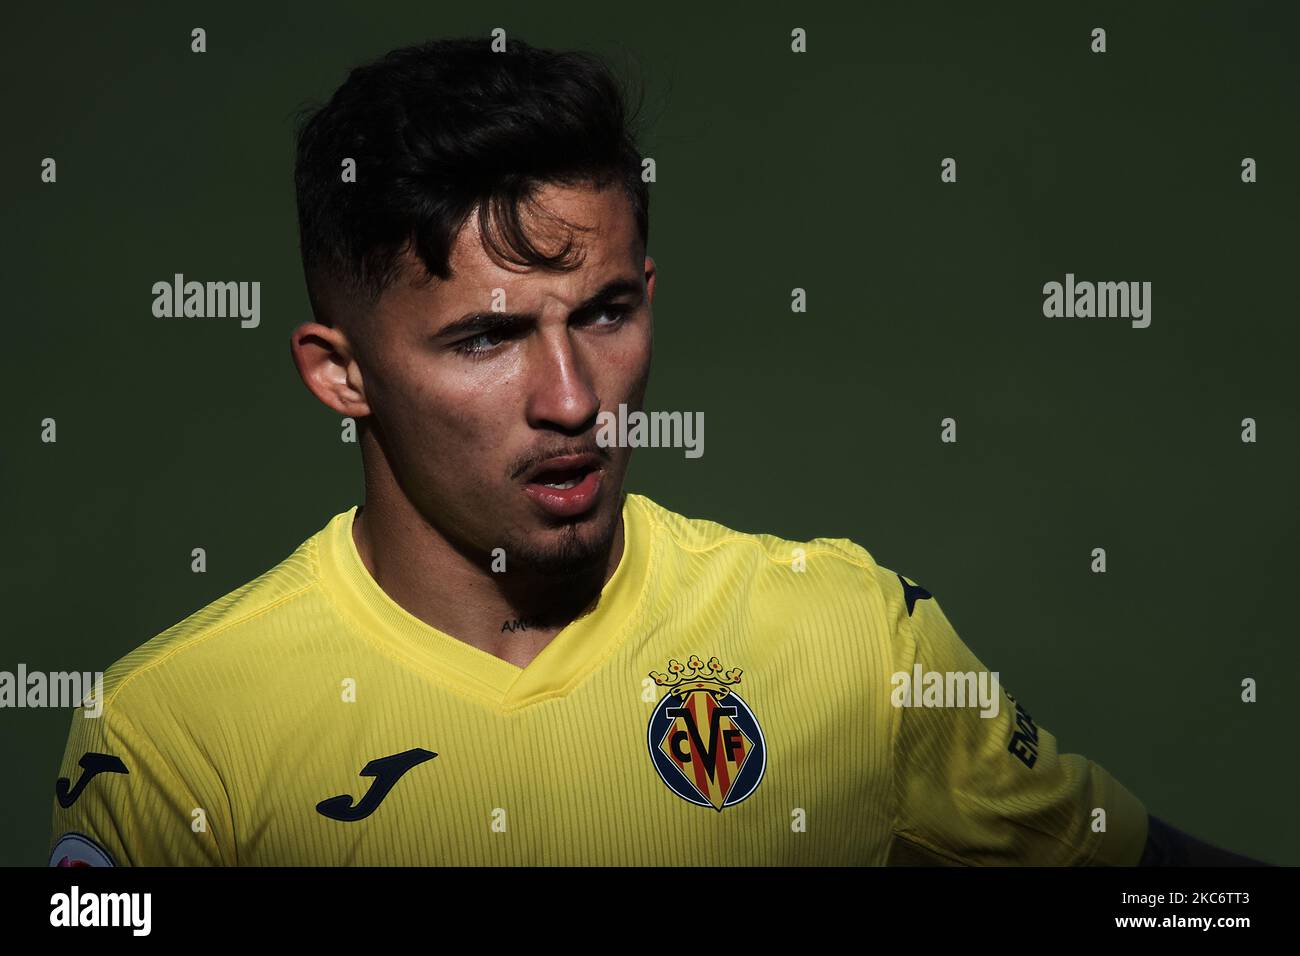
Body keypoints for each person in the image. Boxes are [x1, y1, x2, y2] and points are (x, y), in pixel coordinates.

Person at [49, 36, 1262, 867]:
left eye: (607, 313)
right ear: (340, 373)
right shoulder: (172, 737)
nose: (572, 397)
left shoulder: (850, 637)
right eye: (485, 338)